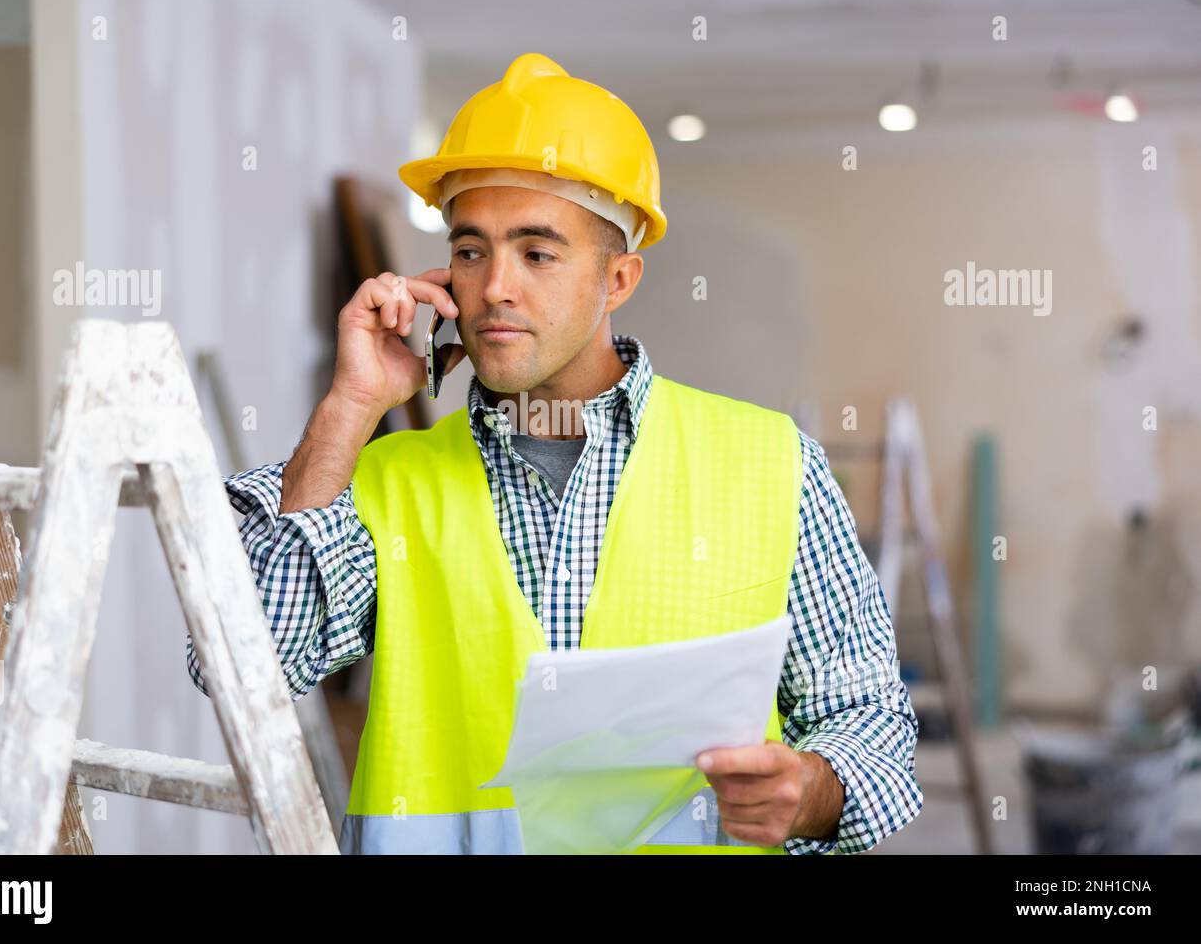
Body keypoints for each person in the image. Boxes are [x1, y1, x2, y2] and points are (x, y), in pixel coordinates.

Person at [188, 52, 923, 855]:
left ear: (618, 279)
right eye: (471, 251)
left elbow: (870, 726)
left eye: (537, 253)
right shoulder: (376, 484)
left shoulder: (773, 464)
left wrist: (811, 791)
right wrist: (350, 407)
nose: (495, 286)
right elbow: (244, 671)